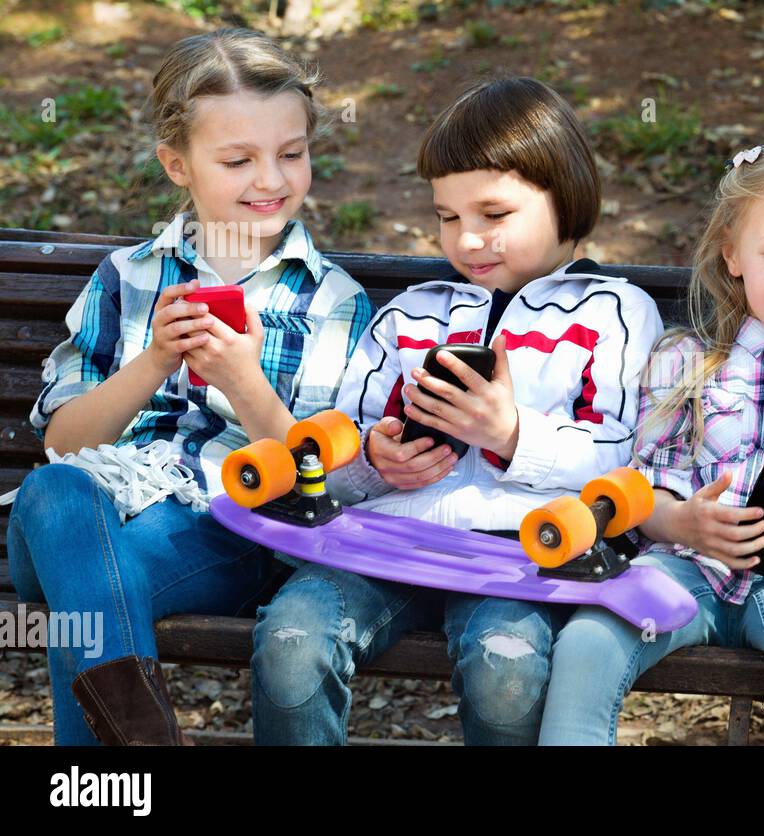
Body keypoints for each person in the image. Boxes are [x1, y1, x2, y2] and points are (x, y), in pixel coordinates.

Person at [249, 76, 663, 745]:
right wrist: (376, 462)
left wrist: (511, 434)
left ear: (566, 198)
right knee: (293, 641)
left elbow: (619, 459)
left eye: (493, 216)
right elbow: (339, 448)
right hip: (381, 543)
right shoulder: (412, 314)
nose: (467, 241)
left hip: (522, 553)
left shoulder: (612, 311)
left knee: (508, 667)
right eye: (447, 218)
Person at [4, 28, 373, 745]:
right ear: (177, 164)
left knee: (88, 608)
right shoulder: (128, 278)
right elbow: (63, 442)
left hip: (221, 527)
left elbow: (326, 482)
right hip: (70, 521)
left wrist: (242, 381)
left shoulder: (331, 299)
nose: (270, 180)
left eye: (291, 154)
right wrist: (151, 364)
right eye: (238, 159)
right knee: (56, 493)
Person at [540, 131, 764, 745]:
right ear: (733, 253)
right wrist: (682, 523)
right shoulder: (684, 360)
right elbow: (642, 482)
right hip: (686, 567)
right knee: (587, 642)